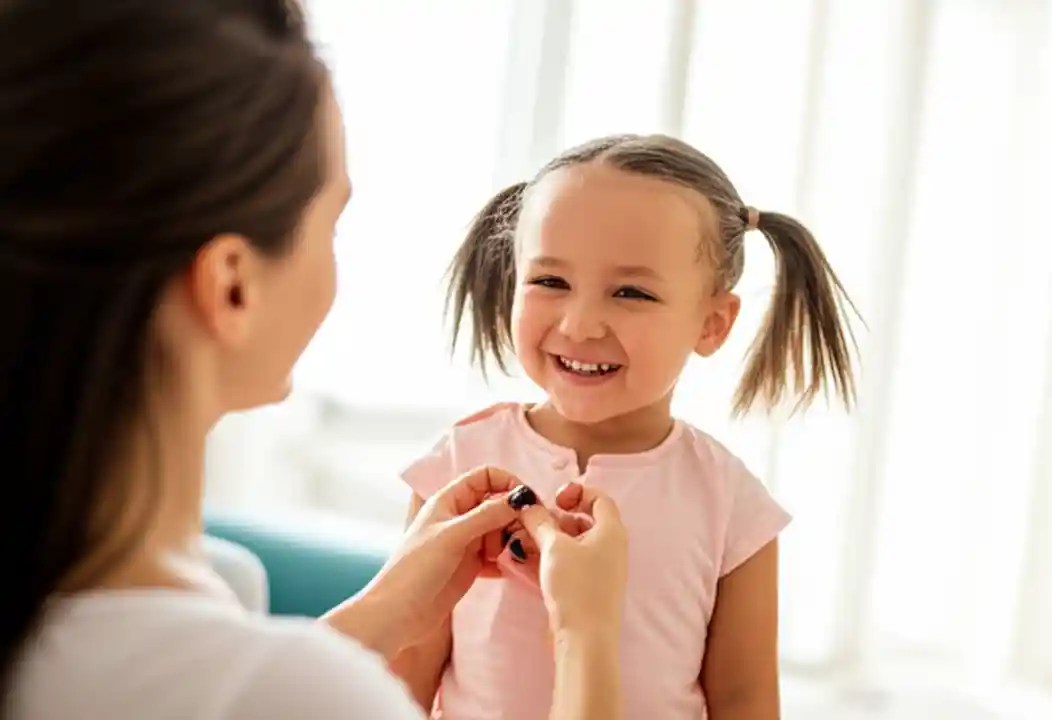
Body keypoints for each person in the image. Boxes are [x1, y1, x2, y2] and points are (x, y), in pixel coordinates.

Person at [0, 1, 627, 718]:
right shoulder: (282, 689)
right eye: (330, 223)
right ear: (232, 284)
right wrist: (587, 630)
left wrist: (384, 611)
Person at [396, 134, 860, 718]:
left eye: (631, 292)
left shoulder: (732, 505)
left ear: (713, 323)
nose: (581, 323)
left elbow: (744, 702)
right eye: (550, 281)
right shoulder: (456, 465)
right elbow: (403, 674)